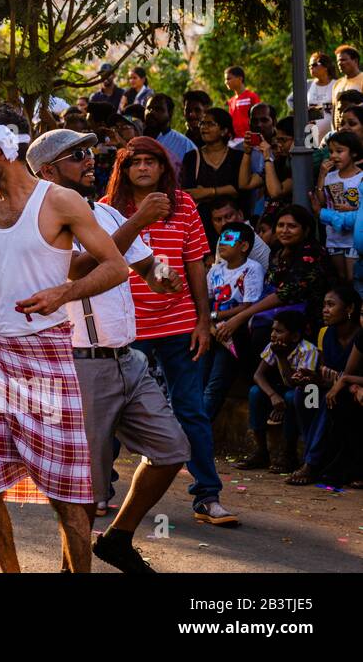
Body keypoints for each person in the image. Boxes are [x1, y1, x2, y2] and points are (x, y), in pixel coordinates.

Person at [0, 107, 130, 572]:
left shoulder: (60, 202)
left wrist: (64, 291)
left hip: (48, 354)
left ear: (1, 146)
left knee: (67, 493)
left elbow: (116, 266)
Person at [27, 128, 191, 573]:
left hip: (127, 358)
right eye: (76, 155)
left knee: (172, 451)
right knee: (84, 489)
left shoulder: (105, 213)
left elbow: (142, 262)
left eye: (89, 152)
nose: (89, 159)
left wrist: (163, 274)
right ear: (47, 171)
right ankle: (71, 569)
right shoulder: (42, 223)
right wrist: (138, 220)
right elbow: (78, 269)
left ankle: (117, 539)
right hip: (80, 364)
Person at [102, 135, 238, 526]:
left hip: (179, 324)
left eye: (151, 161)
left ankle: (207, 497)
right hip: (128, 326)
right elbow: (104, 261)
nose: (143, 168)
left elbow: (195, 264)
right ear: (124, 169)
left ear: (164, 167)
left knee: (190, 410)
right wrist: (138, 218)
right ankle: (100, 492)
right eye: (135, 162)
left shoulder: (184, 206)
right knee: (112, 411)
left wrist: (202, 320)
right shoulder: (108, 210)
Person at [216, 205, 333, 377]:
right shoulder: (277, 252)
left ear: (306, 230)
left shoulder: (312, 253)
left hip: (306, 319)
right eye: (280, 225)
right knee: (231, 333)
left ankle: (272, 384)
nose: (284, 230)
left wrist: (242, 316)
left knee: (261, 332)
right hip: (274, 313)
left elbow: (283, 294)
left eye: (292, 226)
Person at [285, 285, 360, 485]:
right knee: (304, 393)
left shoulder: (359, 336)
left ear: (349, 309)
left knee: (329, 402)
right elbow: (326, 371)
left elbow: (350, 376)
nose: (325, 310)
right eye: (324, 305)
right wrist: (311, 376)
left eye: (331, 305)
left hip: (349, 392)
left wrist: (333, 380)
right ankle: (312, 457)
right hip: (330, 386)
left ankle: (311, 464)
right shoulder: (325, 334)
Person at [239, 310, 318, 473]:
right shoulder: (273, 346)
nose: (273, 335)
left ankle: (289, 454)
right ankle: (261, 451)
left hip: (307, 394)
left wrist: (281, 357)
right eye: (273, 330)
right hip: (284, 391)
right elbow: (258, 375)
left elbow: (296, 384)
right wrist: (273, 396)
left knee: (290, 396)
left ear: (295, 336)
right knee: (255, 392)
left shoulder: (308, 351)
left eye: (279, 331)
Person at [201, 223, 266, 422]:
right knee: (199, 380)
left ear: (244, 246)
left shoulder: (252, 269)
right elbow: (204, 300)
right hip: (211, 331)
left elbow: (249, 305)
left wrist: (215, 318)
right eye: (221, 238)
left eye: (229, 239)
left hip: (236, 334)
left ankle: (199, 429)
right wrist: (210, 323)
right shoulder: (215, 271)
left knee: (215, 384)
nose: (221, 243)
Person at [182, 108, 248, 248]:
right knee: (207, 264)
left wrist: (207, 192)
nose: (204, 128)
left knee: (231, 256)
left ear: (224, 130)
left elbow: (240, 190)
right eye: (202, 123)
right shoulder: (192, 157)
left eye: (210, 124)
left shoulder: (238, 157)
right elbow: (191, 193)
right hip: (201, 225)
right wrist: (226, 190)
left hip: (230, 224)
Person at [314, 130, 363, 282]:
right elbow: (322, 201)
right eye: (331, 151)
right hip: (334, 236)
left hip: (353, 237)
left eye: (339, 151)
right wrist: (322, 176)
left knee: (352, 277)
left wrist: (353, 209)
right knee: (341, 277)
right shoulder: (330, 177)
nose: (334, 156)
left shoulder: (361, 177)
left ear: (354, 153)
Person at [208, 196, 272, 271]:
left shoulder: (243, 234)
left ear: (240, 215)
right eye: (218, 220)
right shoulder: (227, 235)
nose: (223, 223)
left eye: (228, 217)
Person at [287, 52, 336, 144]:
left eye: (314, 64)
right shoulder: (308, 84)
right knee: (310, 156)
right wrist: (302, 110)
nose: (311, 67)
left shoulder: (336, 84)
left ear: (326, 66)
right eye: (309, 65)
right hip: (310, 132)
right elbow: (290, 100)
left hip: (331, 133)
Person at [143, 93, 196, 172]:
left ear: (170, 113)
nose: (151, 112)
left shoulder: (185, 145)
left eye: (158, 109)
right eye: (148, 108)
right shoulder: (136, 139)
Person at [224, 66, 260, 139]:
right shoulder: (231, 101)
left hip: (250, 140)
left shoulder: (252, 96)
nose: (226, 82)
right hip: (235, 140)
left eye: (228, 79)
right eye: (225, 79)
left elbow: (259, 118)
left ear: (240, 79)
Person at [332, 45, 363, 130]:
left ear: (355, 60)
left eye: (343, 60)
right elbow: (334, 110)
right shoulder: (337, 83)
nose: (339, 63)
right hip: (340, 133)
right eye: (338, 61)